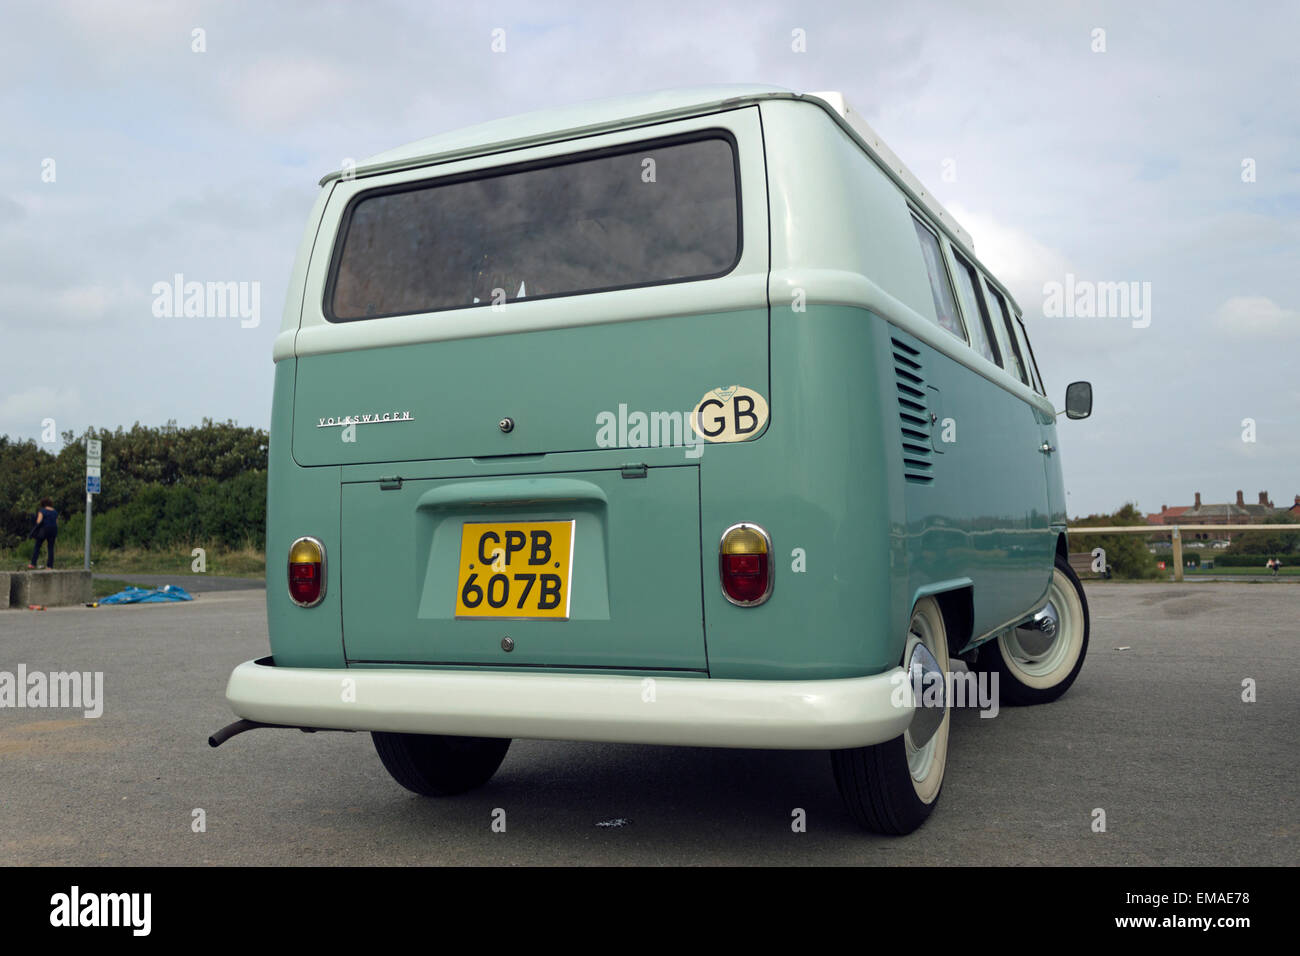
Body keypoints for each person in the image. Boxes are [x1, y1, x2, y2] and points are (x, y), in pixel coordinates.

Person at [28, 497, 58, 570]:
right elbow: (57, 522)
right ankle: (49, 566)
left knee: (37, 546)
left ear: (42, 504)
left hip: (44, 530)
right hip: (53, 530)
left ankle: (33, 563)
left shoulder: (42, 511)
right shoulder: (55, 512)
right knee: (50, 548)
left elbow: (38, 521)